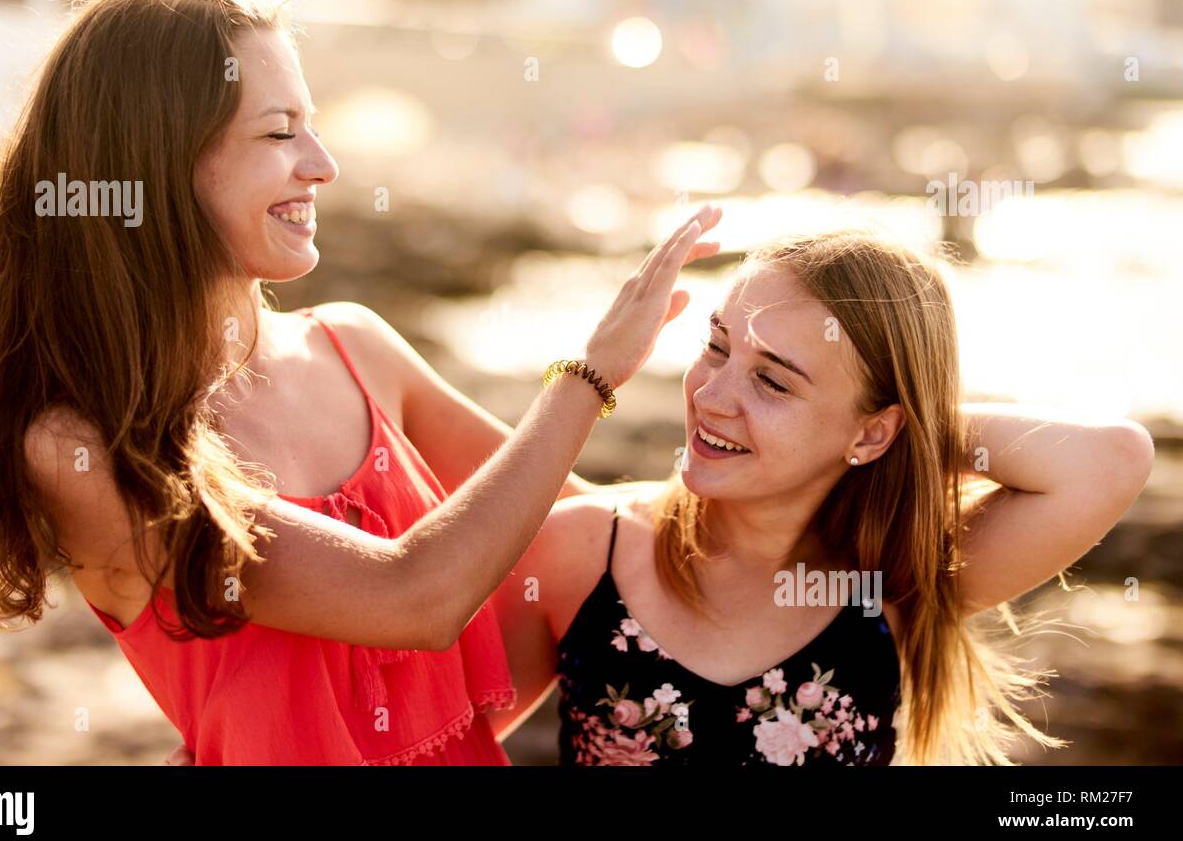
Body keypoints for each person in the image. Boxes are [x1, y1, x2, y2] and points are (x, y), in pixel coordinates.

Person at [0, 0, 722, 765]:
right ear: (157, 166)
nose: (323, 165)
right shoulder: (82, 444)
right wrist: (591, 375)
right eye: (278, 132)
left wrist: (794, 467)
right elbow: (413, 597)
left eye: (313, 125)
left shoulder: (354, 345)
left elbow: (584, 524)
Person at [488, 230, 1156, 765]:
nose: (712, 397)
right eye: (717, 347)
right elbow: (440, 744)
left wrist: (904, 435)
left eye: (773, 383)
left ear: (873, 429)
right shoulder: (581, 547)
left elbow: (1112, 460)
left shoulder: (893, 578)